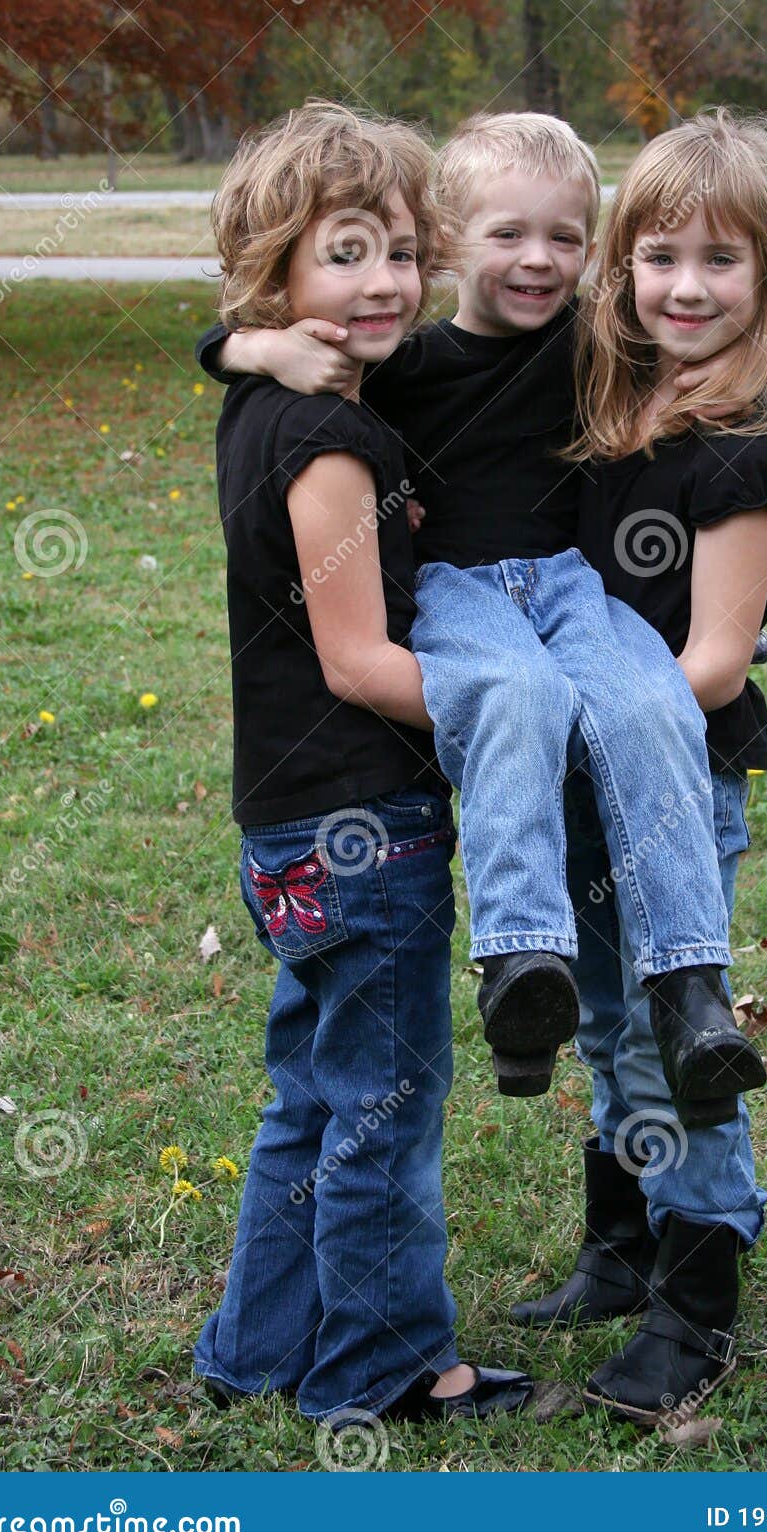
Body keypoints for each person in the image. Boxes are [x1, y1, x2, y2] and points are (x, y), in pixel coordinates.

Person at [196, 110, 764, 1124]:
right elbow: (226, 340)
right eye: (507, 234)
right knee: (516, 697)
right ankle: (521, 958)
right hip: (457, 591)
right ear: (452, 241)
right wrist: (264, 349)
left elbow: (697, 310)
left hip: (569, 583)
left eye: (564, 237)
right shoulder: (401, 360)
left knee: (647, 704)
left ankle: (692, 990)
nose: (537, 260)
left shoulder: (595, 345)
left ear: (590, 251)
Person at [193, 98, 534, 1431]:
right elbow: (356, 660)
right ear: (276, 267)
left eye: (400, 248)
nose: (386, 278)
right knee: (383, 1107)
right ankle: (384, 1366)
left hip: (288, 822)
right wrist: (512, 710)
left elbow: (221, 348)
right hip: (359, 823)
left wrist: (250, 337)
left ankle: (255, 1343)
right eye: (345, 251)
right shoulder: (327, 441)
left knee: (313, 1094)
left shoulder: (269, 388)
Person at [511, 107, 767, 1429]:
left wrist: (566, 713)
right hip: (578, 781)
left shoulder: (744, 459)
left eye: (722, 260)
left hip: (676, 787)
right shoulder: (603, 405)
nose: (686, 286)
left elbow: (713, 665)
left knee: (662, 1030)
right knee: (593, 1011)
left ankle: (697, 1295)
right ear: (621, 266)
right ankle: (621, 1245)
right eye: (660, 256)